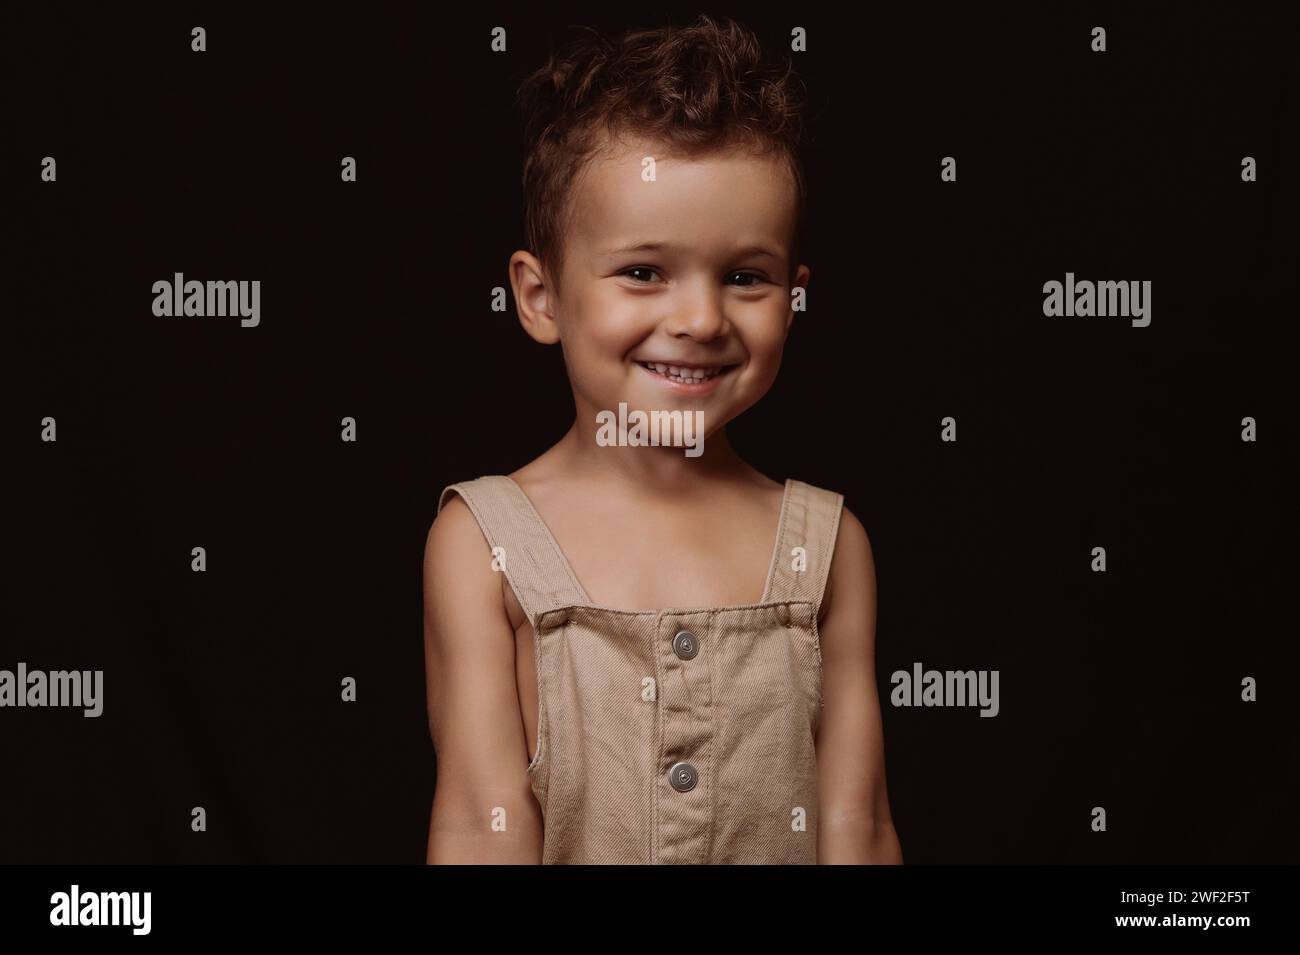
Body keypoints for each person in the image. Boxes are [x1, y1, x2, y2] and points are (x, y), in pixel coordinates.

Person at [424, 14, 900, 864]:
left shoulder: (830, 548)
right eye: (644, 271)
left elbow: (855, 827)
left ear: (793, 296)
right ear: (539, 298)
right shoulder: (483, 544)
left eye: (744, 277)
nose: (700, 318)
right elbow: (476, 819)